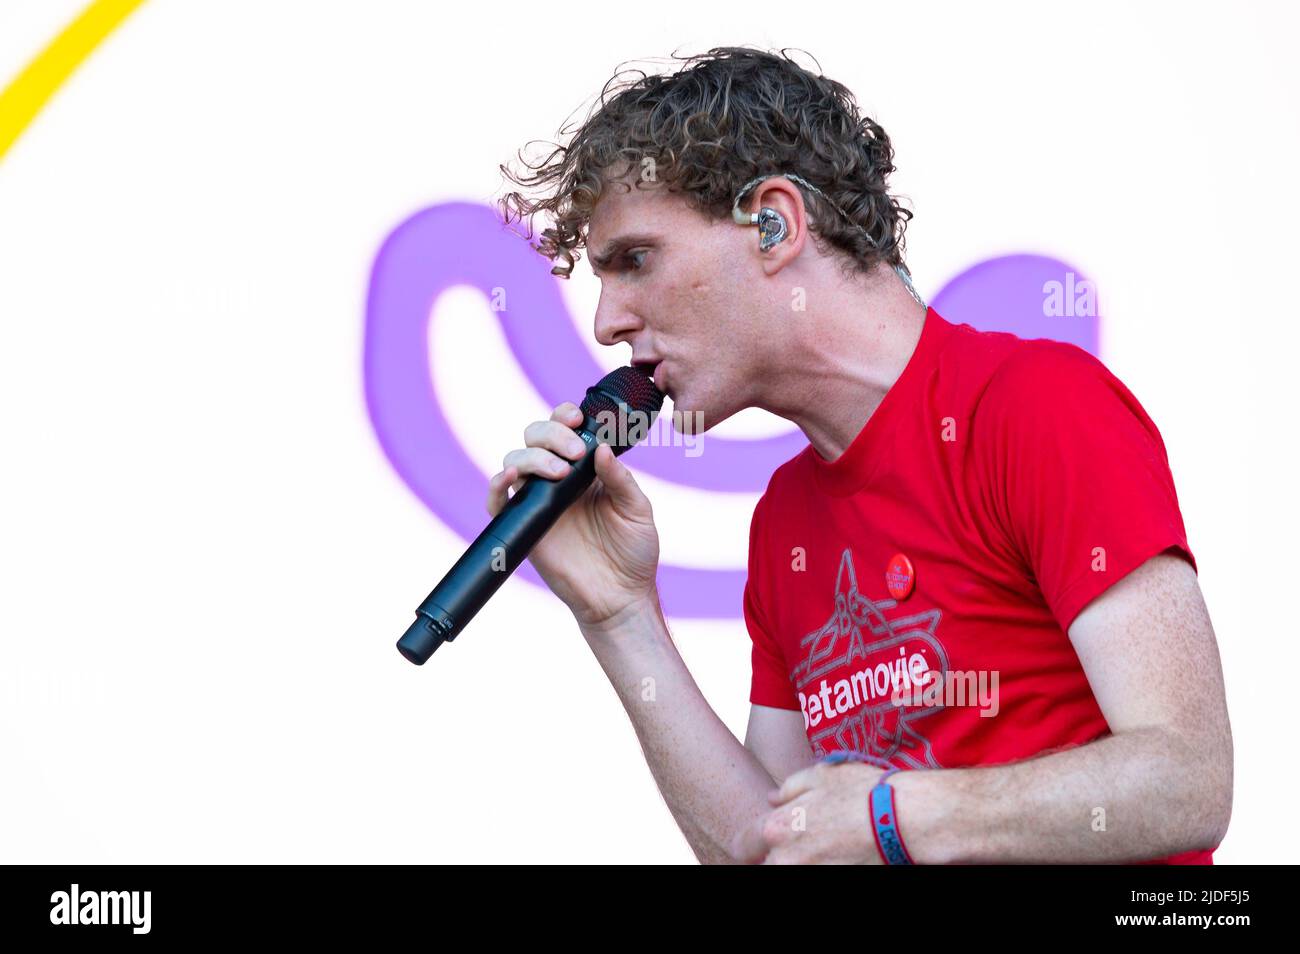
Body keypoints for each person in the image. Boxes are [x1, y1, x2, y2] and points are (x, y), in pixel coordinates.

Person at [491, 47, 1233, 864]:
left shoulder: (1032, 405)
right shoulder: (785, 518)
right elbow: (774, 850)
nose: (607, 323)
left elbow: (1187, 778)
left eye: (635, 260)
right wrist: (619, 615)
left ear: (773, 223)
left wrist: (894, 818)